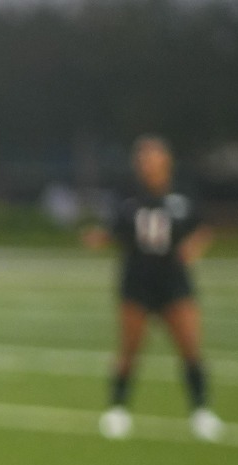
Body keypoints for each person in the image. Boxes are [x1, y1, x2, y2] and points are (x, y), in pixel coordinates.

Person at [83, 135, 218, 442]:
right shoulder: (129, 196)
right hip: (137, 281)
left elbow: (203, 227)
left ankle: (201, 411)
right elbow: (116, 231)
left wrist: (194, 248)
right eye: (143, 159)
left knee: (190, 347)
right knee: (129, 350)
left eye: (154, 158)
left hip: (174, 281)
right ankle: (117, 409)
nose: (148, 165)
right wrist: (99, 238)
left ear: (166, 161)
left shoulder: (182, 194)